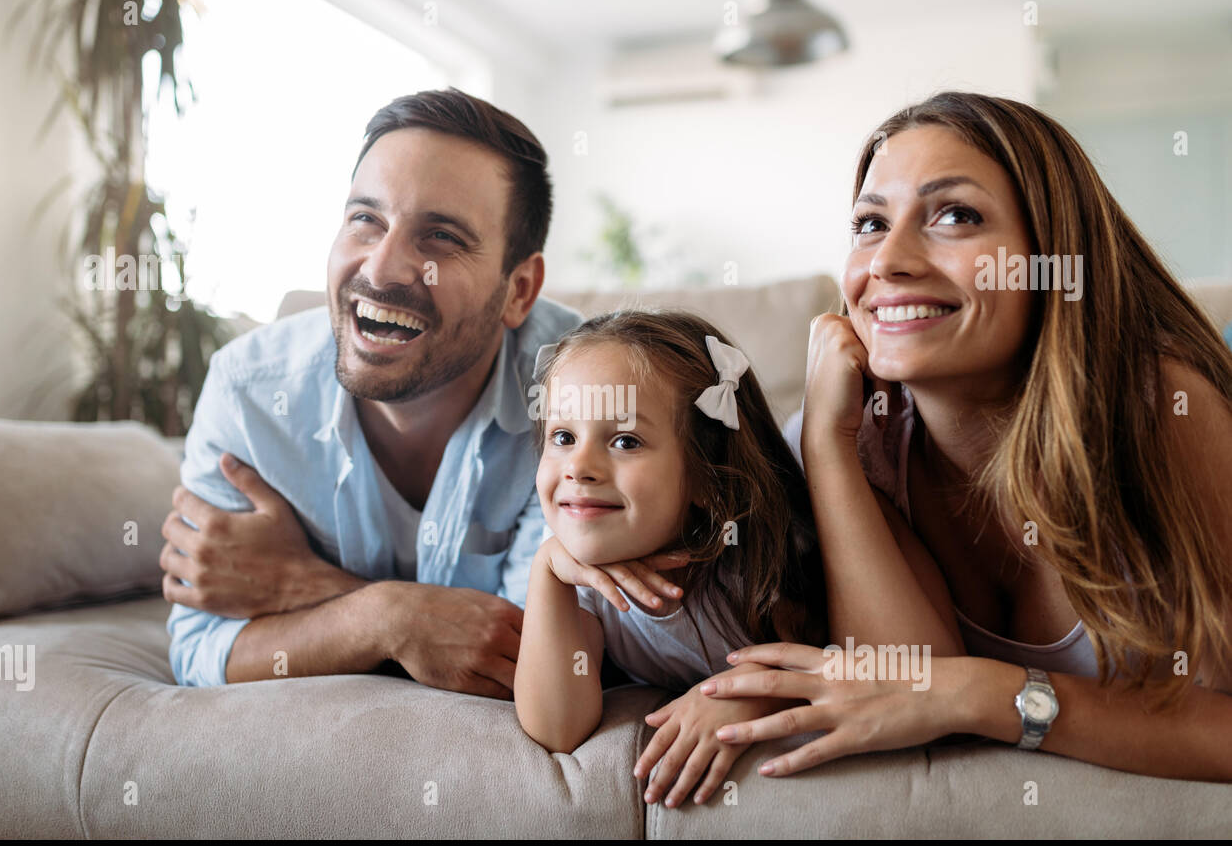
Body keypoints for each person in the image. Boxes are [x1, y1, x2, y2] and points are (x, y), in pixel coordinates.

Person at [700, 91, 1232, 782]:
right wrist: (829, 449)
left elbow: (939, 694)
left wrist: (984, 693)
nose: (888, 261)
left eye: (955, 215)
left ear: (1051, 256)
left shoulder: (1163, 411)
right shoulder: (850, 440)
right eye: (869, 223)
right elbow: (899, 702)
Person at [160, 88, 582, 696]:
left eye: (440, 237)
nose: (381, 270)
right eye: (366, 220)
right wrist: (389, 618)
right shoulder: (249, 392)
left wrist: (301, 587)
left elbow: (534, 660)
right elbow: (202, 649)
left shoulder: (582, 393)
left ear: (518, 290)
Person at [514, 309, 828, 807]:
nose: (578, 466)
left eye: (624, 441)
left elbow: (845, 665)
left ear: (706, 475)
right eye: (563, 437)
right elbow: (558, 728)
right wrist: (547, 571)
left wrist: (752, 692)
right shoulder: (583, 581)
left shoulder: (757, 560)